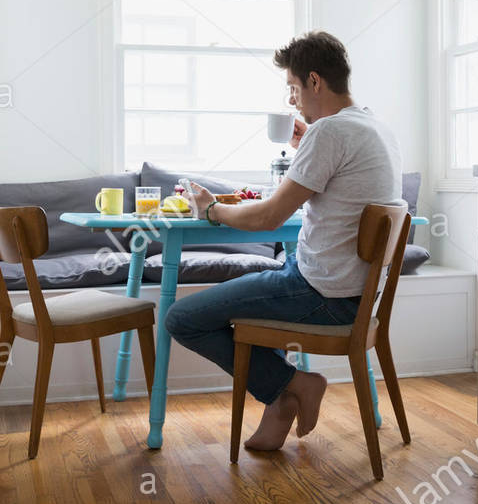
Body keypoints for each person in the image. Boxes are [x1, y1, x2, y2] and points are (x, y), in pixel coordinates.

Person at [164, 30, 404, 452]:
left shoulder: (328, 132)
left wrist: (210, 210)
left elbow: (269, 215)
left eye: (292, 88)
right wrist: (305, 145)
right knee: (252, 287)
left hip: (321, 293)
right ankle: (283, 397)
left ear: (314, 82)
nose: (291, 101)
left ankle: (292, 386)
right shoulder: (375, 127)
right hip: (354, 292)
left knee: (182, 318)